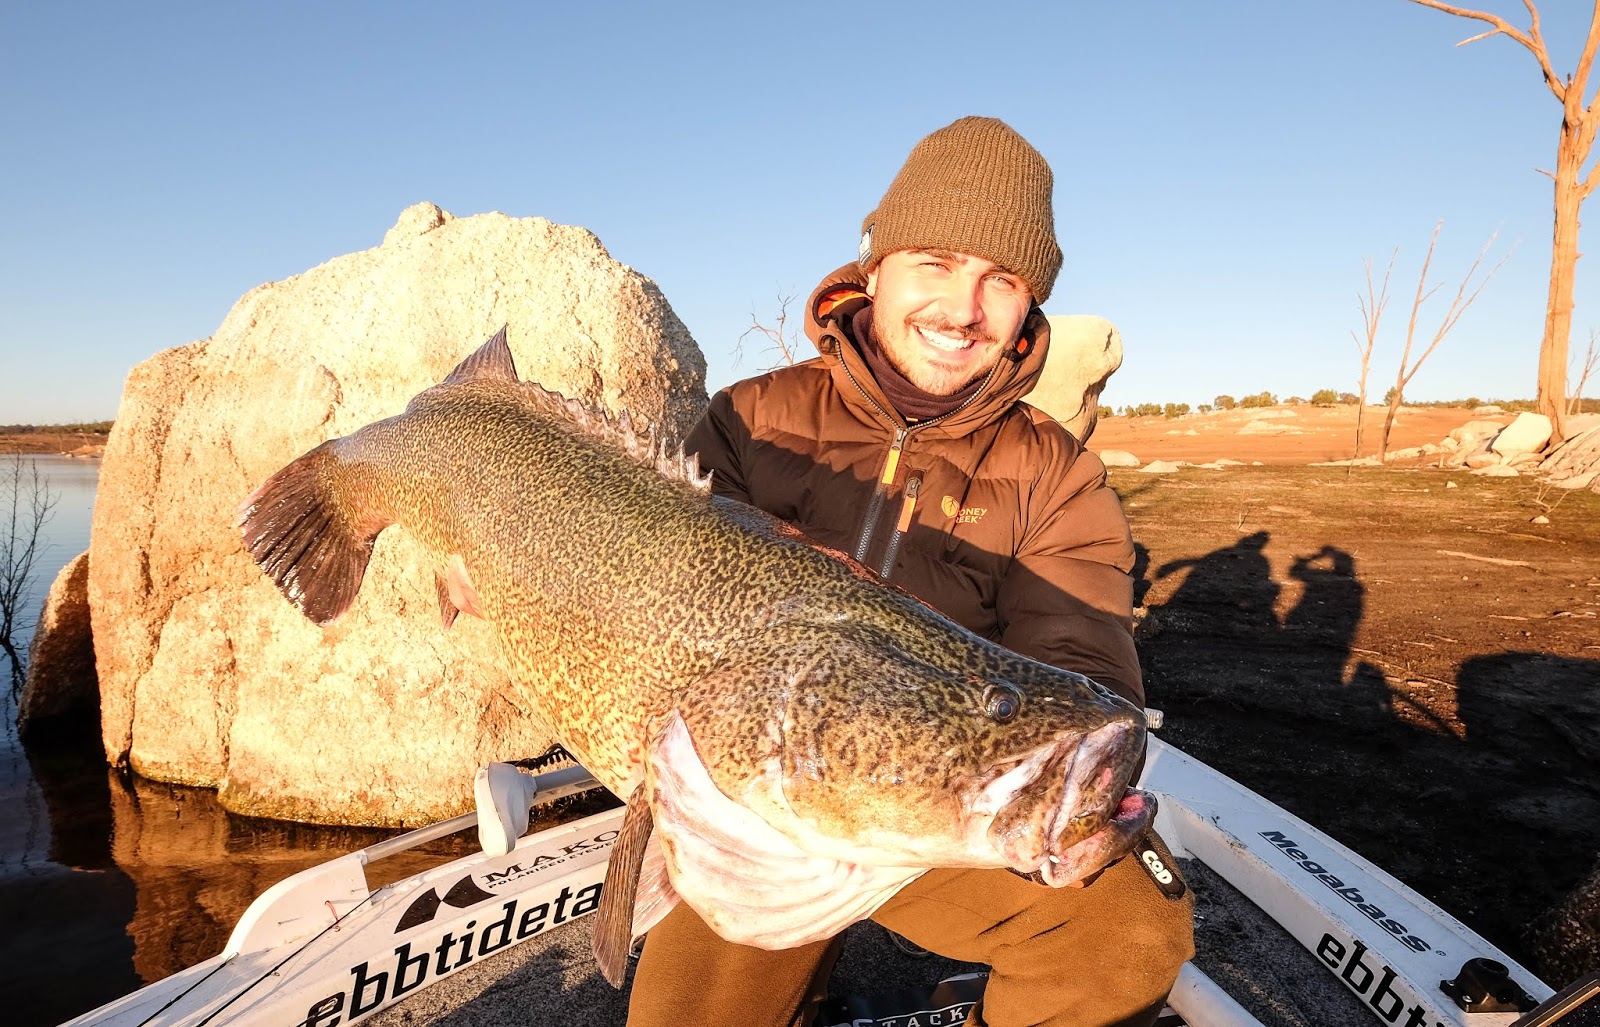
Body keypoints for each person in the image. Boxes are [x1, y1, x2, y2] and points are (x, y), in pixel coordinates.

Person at [627, 116, 1195, 1027]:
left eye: (1000, 280)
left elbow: (1084, 663)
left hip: (946, 804)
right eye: (935, 261)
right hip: (753, 804)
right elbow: (651, 619)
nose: (963, 309)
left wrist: (1054, 789)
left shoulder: (1058, 472)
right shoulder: (748, 421)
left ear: (1029, 303)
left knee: (1124, 936)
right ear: (874, 265)